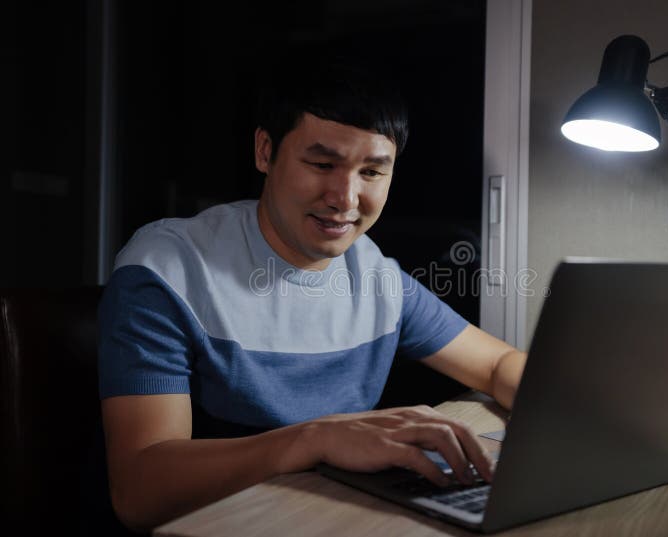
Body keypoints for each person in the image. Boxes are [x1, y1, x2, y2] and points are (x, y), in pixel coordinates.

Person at [97, 56, 526, 533]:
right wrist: (314, 439)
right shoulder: (168, 268)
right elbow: (138, 491)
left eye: (372, 172)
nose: (345, 198)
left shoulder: (374, 275)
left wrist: (579, 414)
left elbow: (497, 364)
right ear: (265, 151)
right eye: (322, 164)